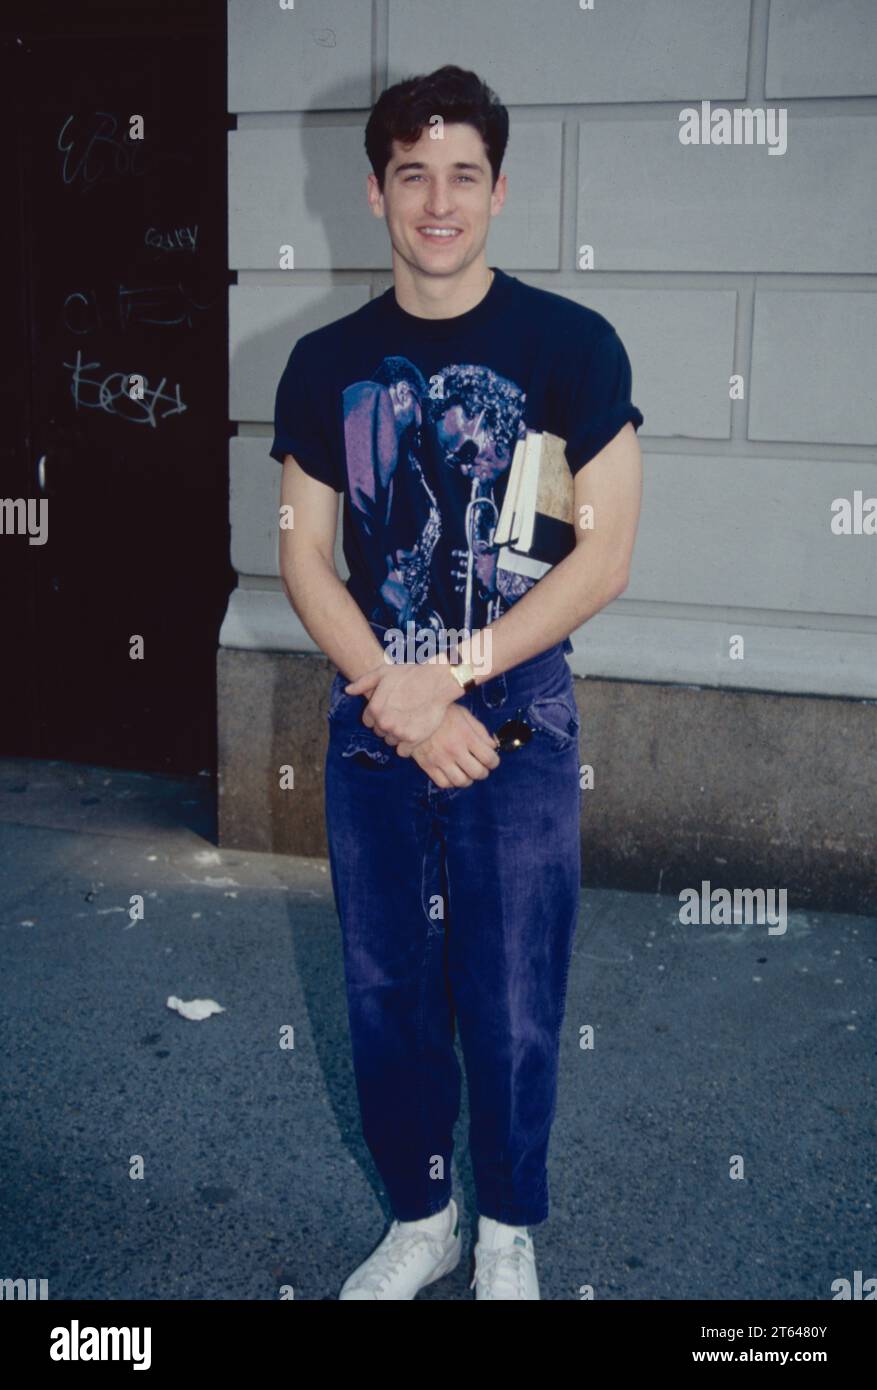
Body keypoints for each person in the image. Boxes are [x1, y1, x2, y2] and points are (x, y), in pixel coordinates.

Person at [271, 64, 644, 1300]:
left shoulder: (569, 348)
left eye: (463, 175)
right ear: (375, 190)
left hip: (517, 718)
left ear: (498, 189)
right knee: (385, 992)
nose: (439, 200)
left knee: (514, 995)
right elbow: (300, 556)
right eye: (413, 174)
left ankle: (507, 1231)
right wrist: (398, 691)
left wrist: (455, 678)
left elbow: (605, 551)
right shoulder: (322, 365)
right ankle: (423, 1216)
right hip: (376, 718)